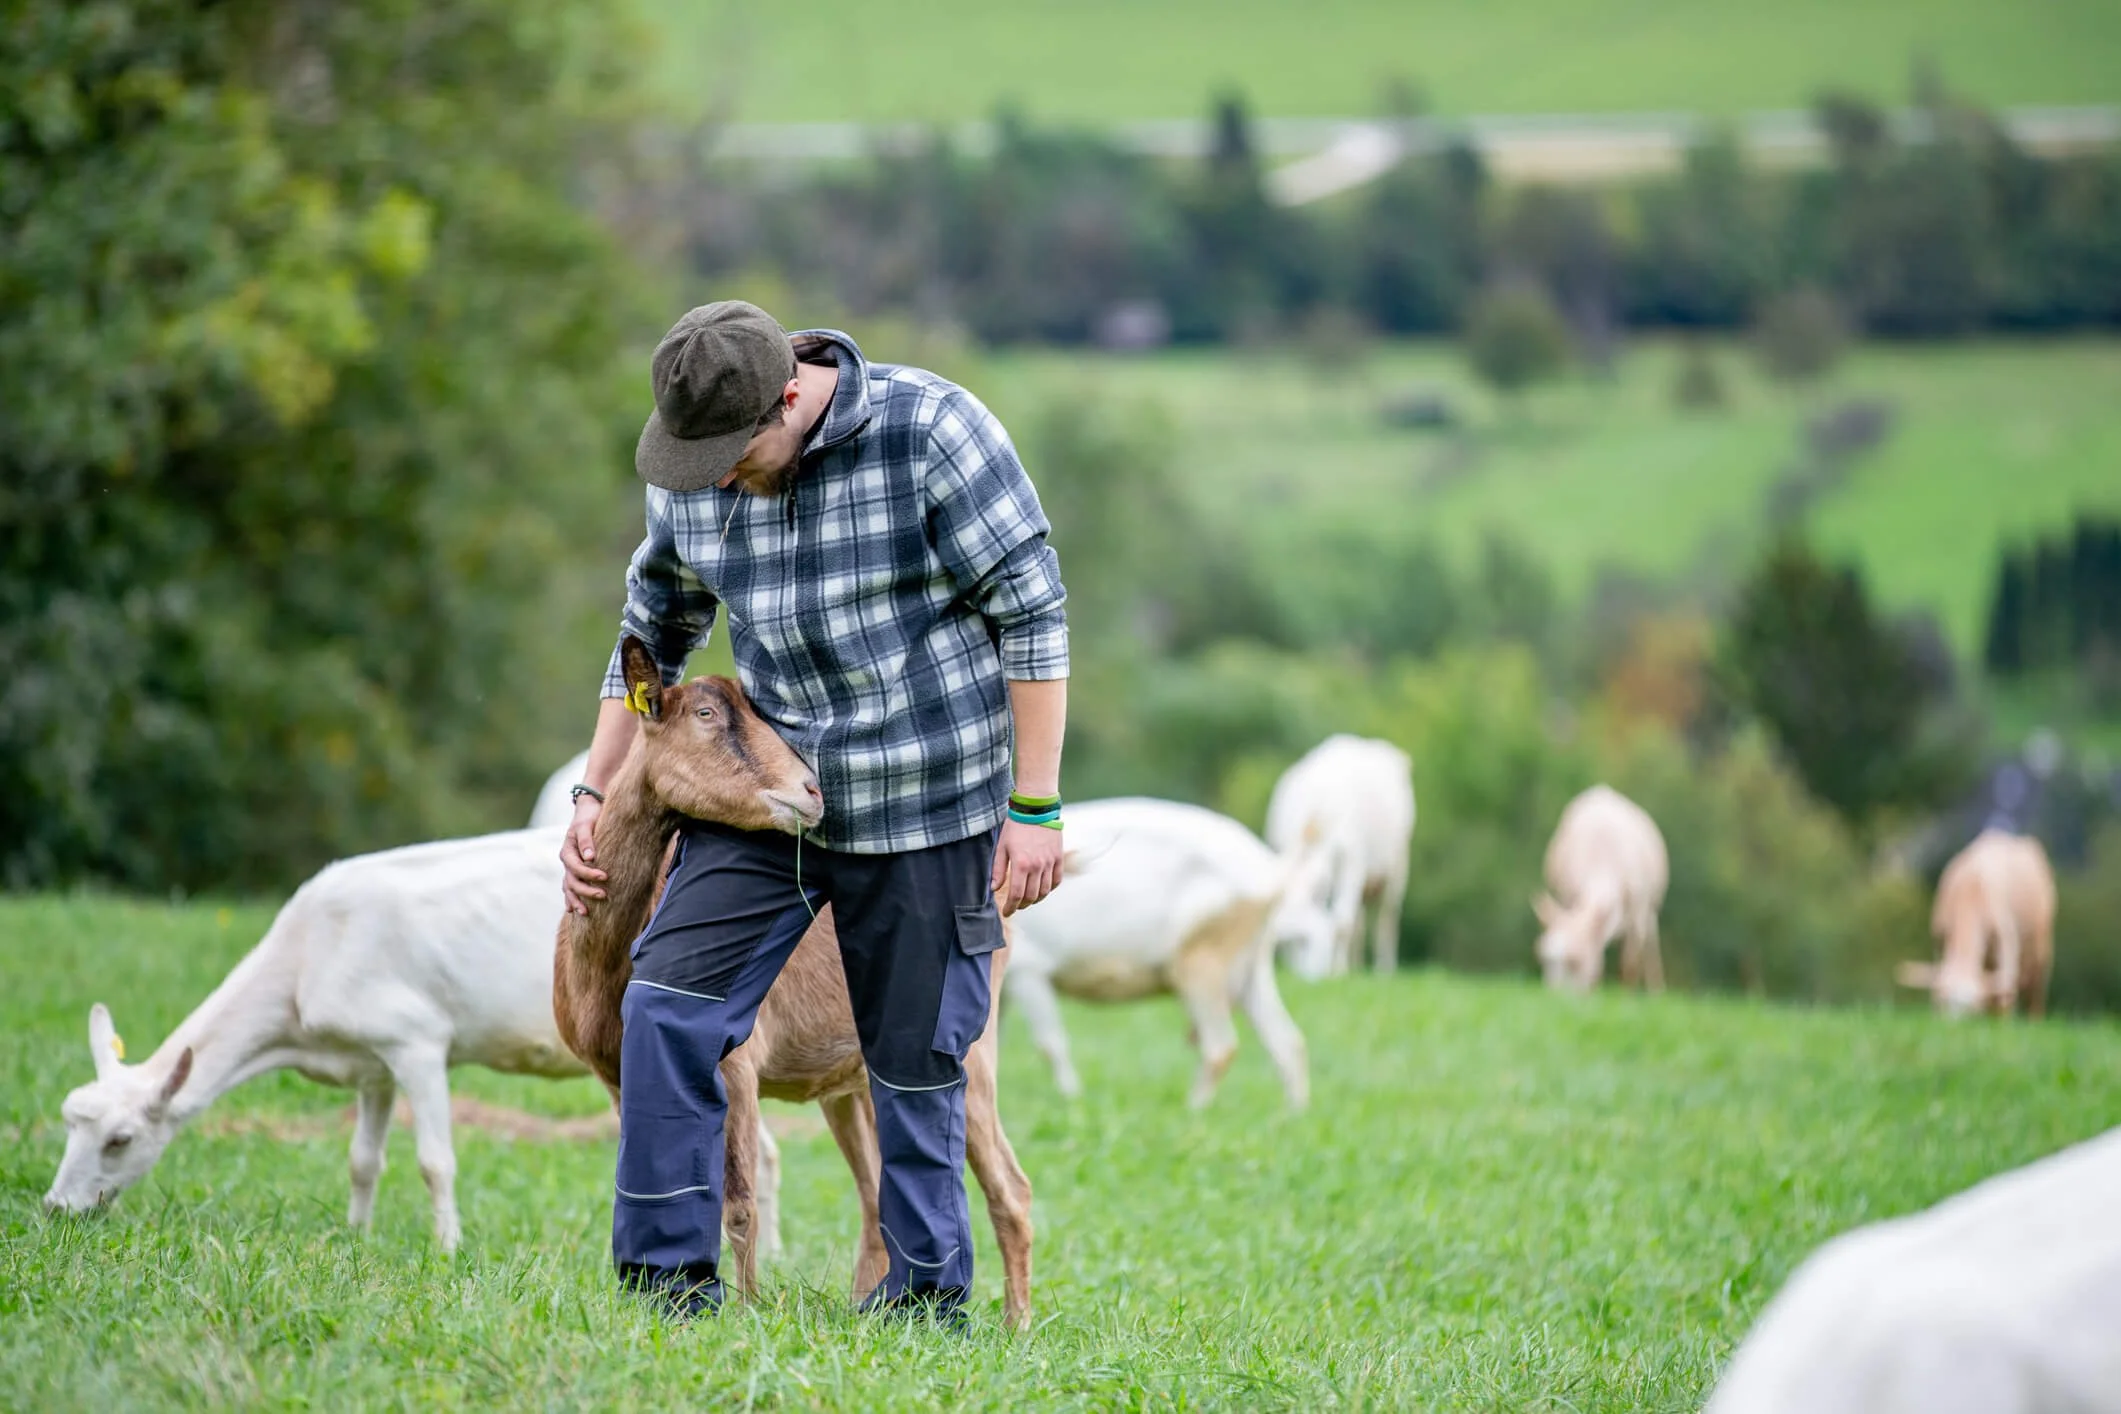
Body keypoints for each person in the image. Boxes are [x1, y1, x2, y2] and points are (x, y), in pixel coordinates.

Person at [559, 302, 1068, 1324]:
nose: (712, 480)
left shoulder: (933, 432)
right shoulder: (700, 475)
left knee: (918, 1058)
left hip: (921, 806)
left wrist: (1036, 806)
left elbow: (1033, 612)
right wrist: (596, 787)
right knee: (667, 1005)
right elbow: (650, 627)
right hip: (764, 810)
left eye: (730, 455)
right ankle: (670, 1289)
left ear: (791, 395)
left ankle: (922, 1312)